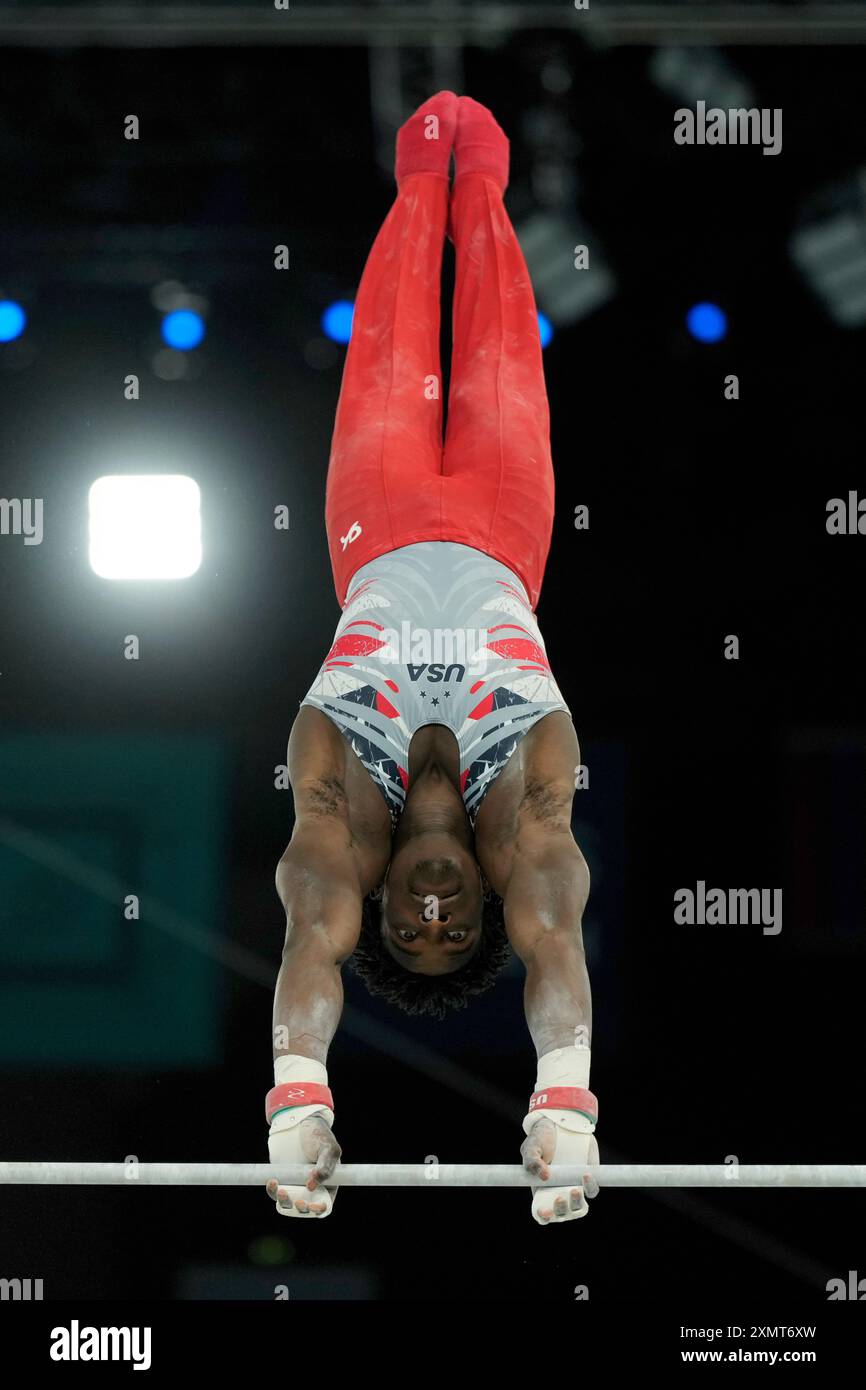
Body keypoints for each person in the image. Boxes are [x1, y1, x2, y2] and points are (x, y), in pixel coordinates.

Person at [266, 94, 599, 1225]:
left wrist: (297, 1099)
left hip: (374, 515)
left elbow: (313, 934)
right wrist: (564, 1100)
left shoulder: (338, 802)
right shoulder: (526, 810)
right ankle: (490, 176)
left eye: (407, 933)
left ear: (380, 904)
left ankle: (424, 172)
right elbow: (552, 936)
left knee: (400, 295)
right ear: (486, 904)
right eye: (456, 935)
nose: (434, 916)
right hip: (506, 520)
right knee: (500, 314)